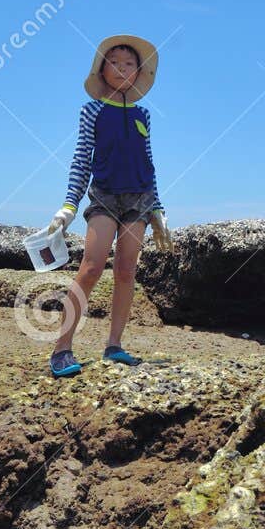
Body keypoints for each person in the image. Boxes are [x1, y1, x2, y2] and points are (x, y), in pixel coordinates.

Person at [42, 33, 172, 377]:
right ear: (102, 70)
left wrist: (158, 210)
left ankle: (114, 346)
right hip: (104, 196)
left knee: (127, 271)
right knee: (91, 268)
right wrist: (69, 205)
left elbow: (149, 162)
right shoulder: (93, 111)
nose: (122, 67)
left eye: (129, 63)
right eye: (114, 62)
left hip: (140, 200)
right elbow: (82, 158)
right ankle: (61, 349)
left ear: (138, 72)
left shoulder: (144, 113)